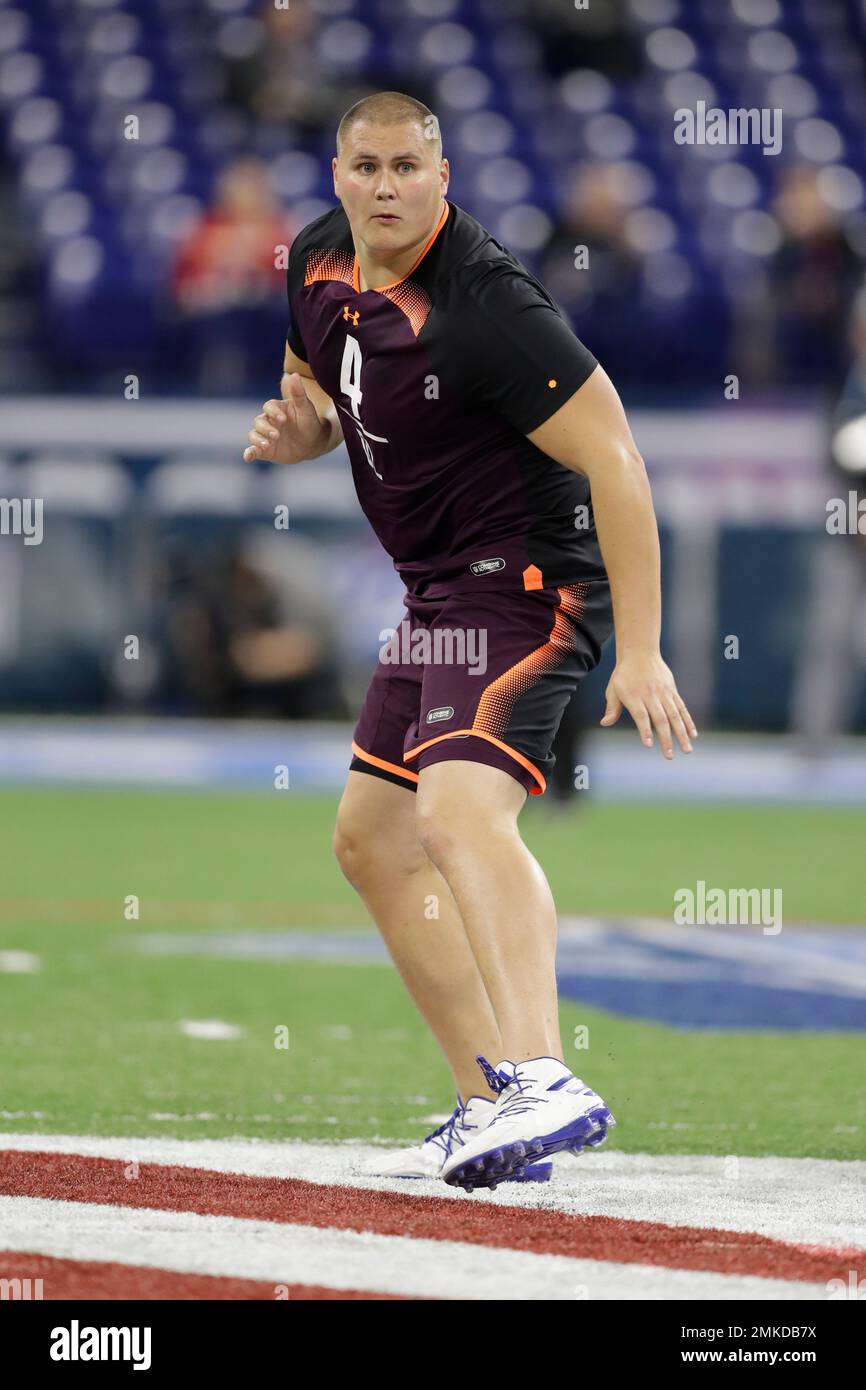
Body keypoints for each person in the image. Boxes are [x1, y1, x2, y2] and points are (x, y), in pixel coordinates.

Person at [243, 92, 697, 1193]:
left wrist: (638, 647)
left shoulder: (487, 302)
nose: (387, 186)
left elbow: (618, 458)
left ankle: (545, 1071)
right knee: (371, 841)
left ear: (443, 176)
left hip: (527, 581)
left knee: (455, 811)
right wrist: (302, 431)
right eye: (366, 165)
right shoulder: (313, 263)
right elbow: (322, 393)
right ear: (337, 174)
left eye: (408, 165)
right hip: (436, 593)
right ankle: (491, 1106)